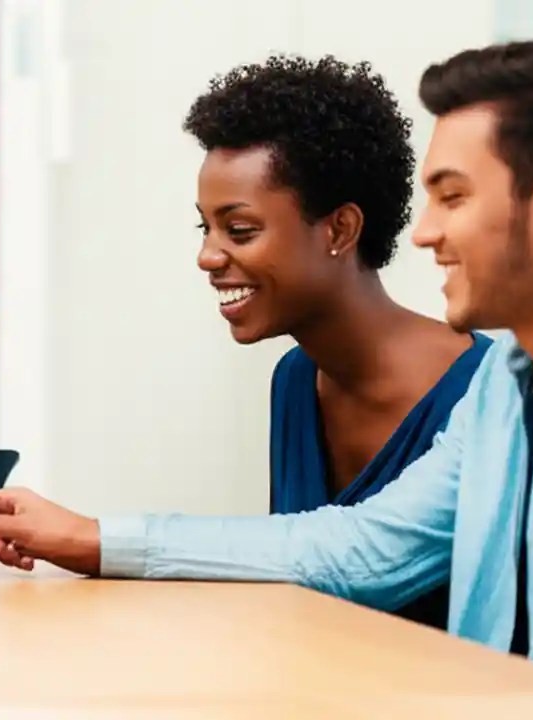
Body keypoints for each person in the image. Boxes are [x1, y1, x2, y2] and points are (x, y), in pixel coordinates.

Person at [0, 38, 533, 700]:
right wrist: (96, 538)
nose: (426, 233)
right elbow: (363, 549)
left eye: (453, 198)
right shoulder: (515, 377)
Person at [185, 56, 490, 627]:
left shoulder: (485, 392)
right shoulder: (296, 378)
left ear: (341, 230)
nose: (208, 255)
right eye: (205, 227)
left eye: (240, 229)